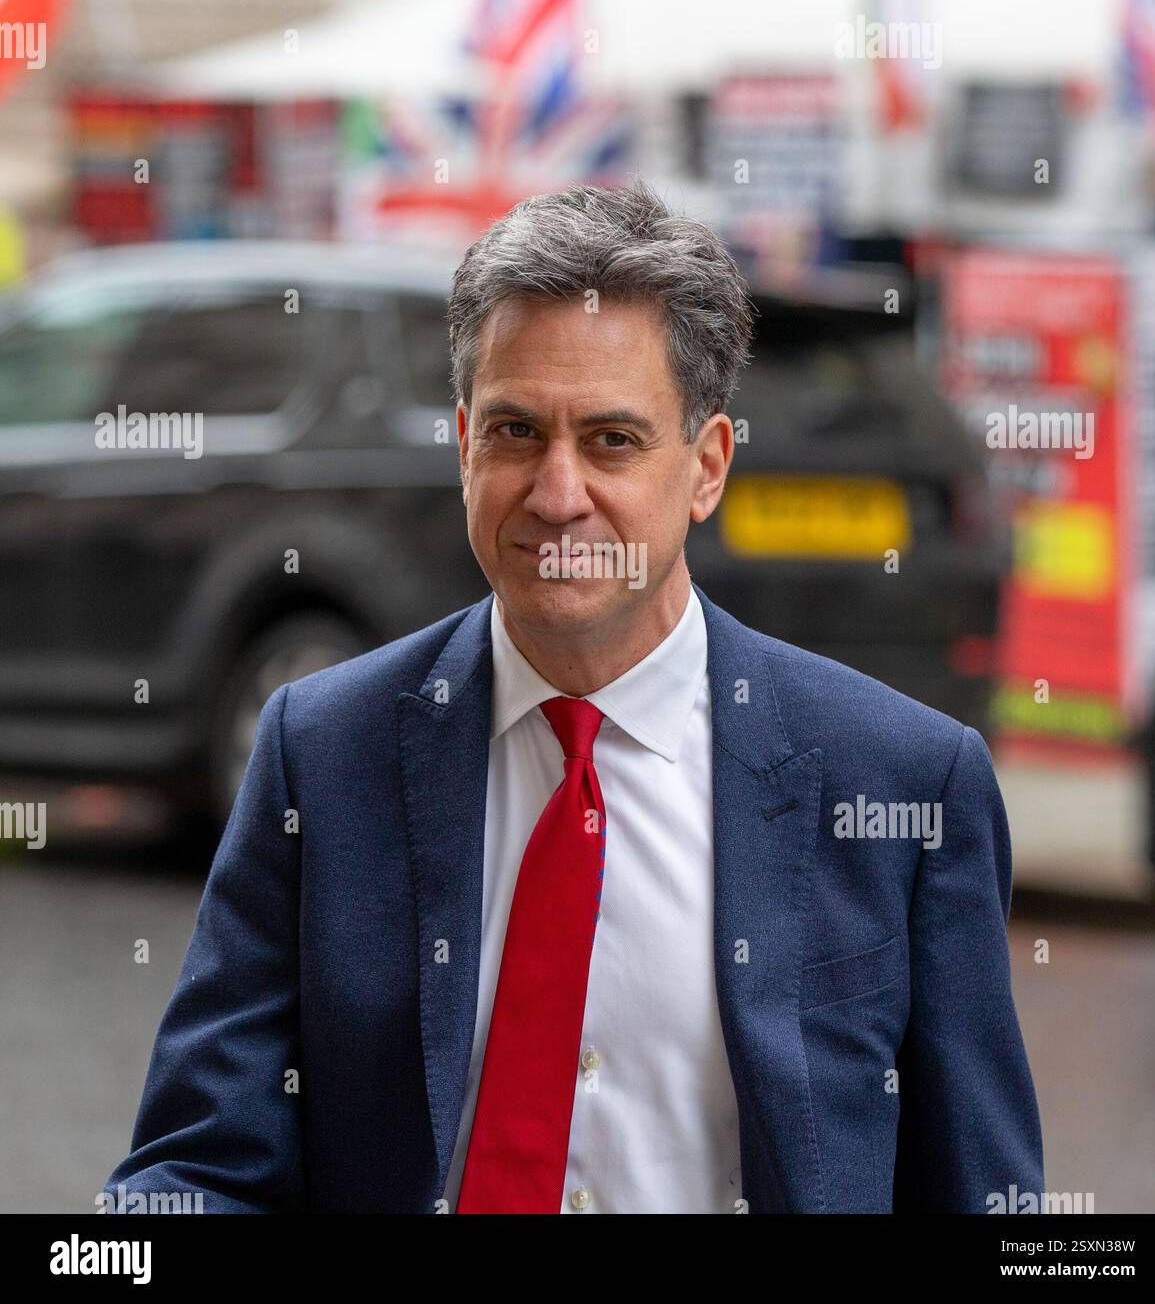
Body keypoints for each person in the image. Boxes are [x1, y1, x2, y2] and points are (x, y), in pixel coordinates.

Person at [103, 179, 1043, 1214]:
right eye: (514, 433)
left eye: (612, 440)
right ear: (463, 442)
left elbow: (984, 1196)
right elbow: (196, 1167)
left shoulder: (906, 785)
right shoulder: (320, 754)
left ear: (708, 466)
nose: (556, 494)